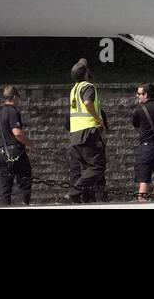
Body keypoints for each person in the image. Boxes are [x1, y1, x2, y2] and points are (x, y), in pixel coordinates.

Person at [67, 58, 108, 203]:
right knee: (98, 167)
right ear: (86, 74)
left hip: (76, 134)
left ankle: (83, 197)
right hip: (88, 132)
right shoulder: (88, 86)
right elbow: (87, 102)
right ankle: (75, 191)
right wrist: (98, 119)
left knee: (87, 167)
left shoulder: (74, 89)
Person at [0, 86, 35, 206]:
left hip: (0, 152)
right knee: (25, 179)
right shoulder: (13, 111)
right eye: (19, 97)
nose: (19, 100)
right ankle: (24, 205)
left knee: (5, 186)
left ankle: (5, 206)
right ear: (14, 97)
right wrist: (30, 145)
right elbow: (17, 133)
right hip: (14, 152)